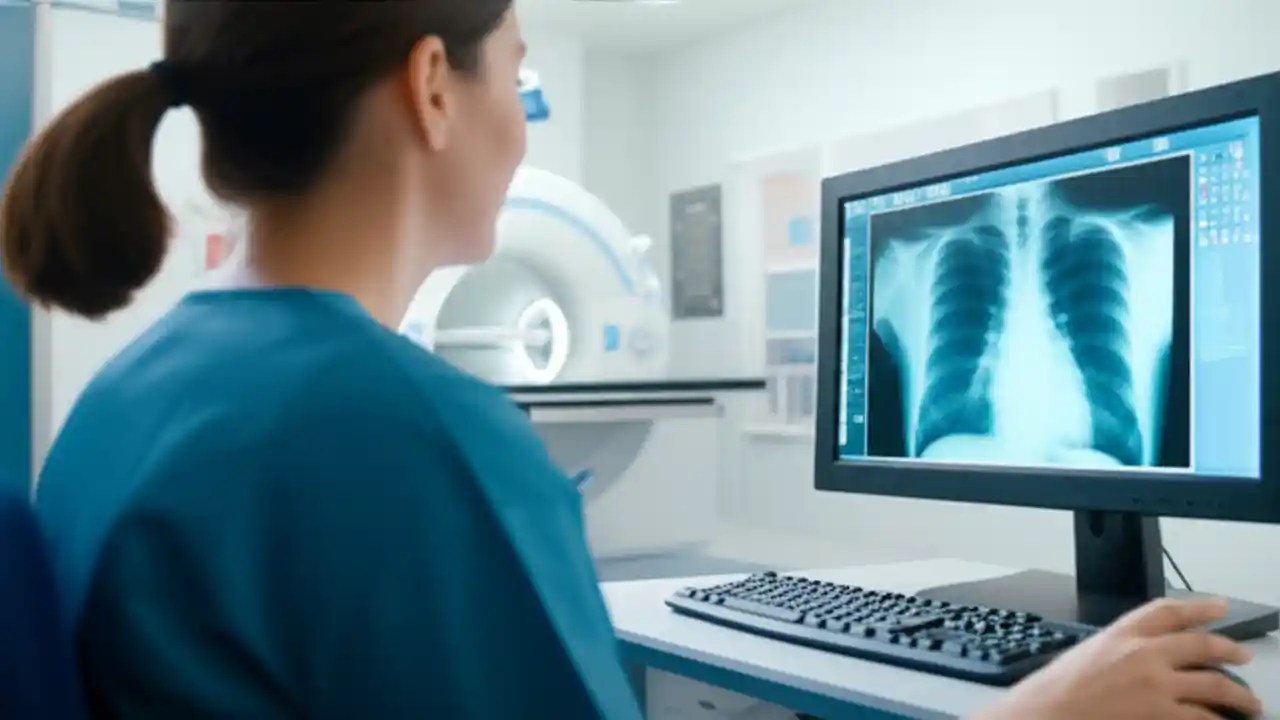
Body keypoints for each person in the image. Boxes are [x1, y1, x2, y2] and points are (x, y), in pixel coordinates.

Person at [0, 2, 1262, 718]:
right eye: (522, 79)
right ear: (434, 86)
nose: (519, 121)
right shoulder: (404, 433)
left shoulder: (133, 392)